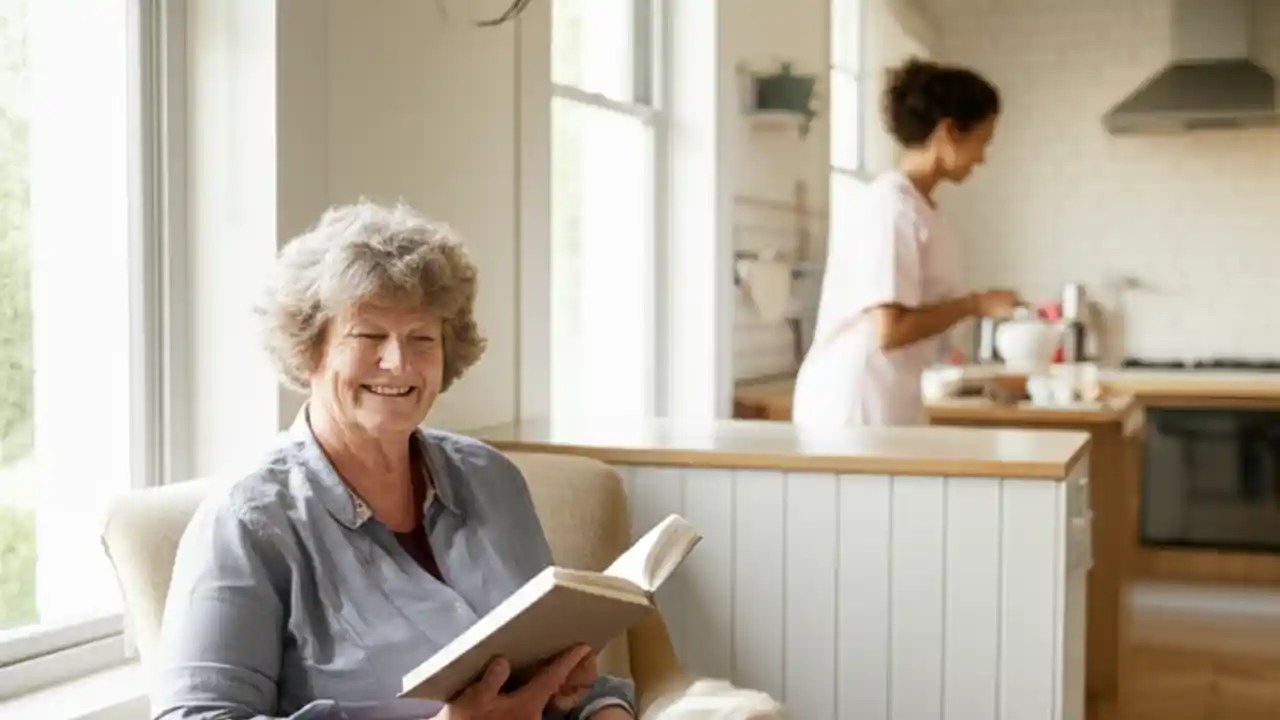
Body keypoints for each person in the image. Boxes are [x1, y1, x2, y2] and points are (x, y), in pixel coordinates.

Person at [155, 201, 635, 720]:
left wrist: (595, 705)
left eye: (421, 338)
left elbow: (561, 677)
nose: (398, 363)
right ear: (310, 348)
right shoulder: (248, 522)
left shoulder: (492, 478)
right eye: (369, 336)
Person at [792, 57, 1020, 427]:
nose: (983, 157)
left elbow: (921, 314)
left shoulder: (923, 208)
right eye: (982, 140)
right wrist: (975, 304)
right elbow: (891, 330)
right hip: (855, 403)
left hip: (890, 395)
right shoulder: (891, 206)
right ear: (948, 132)